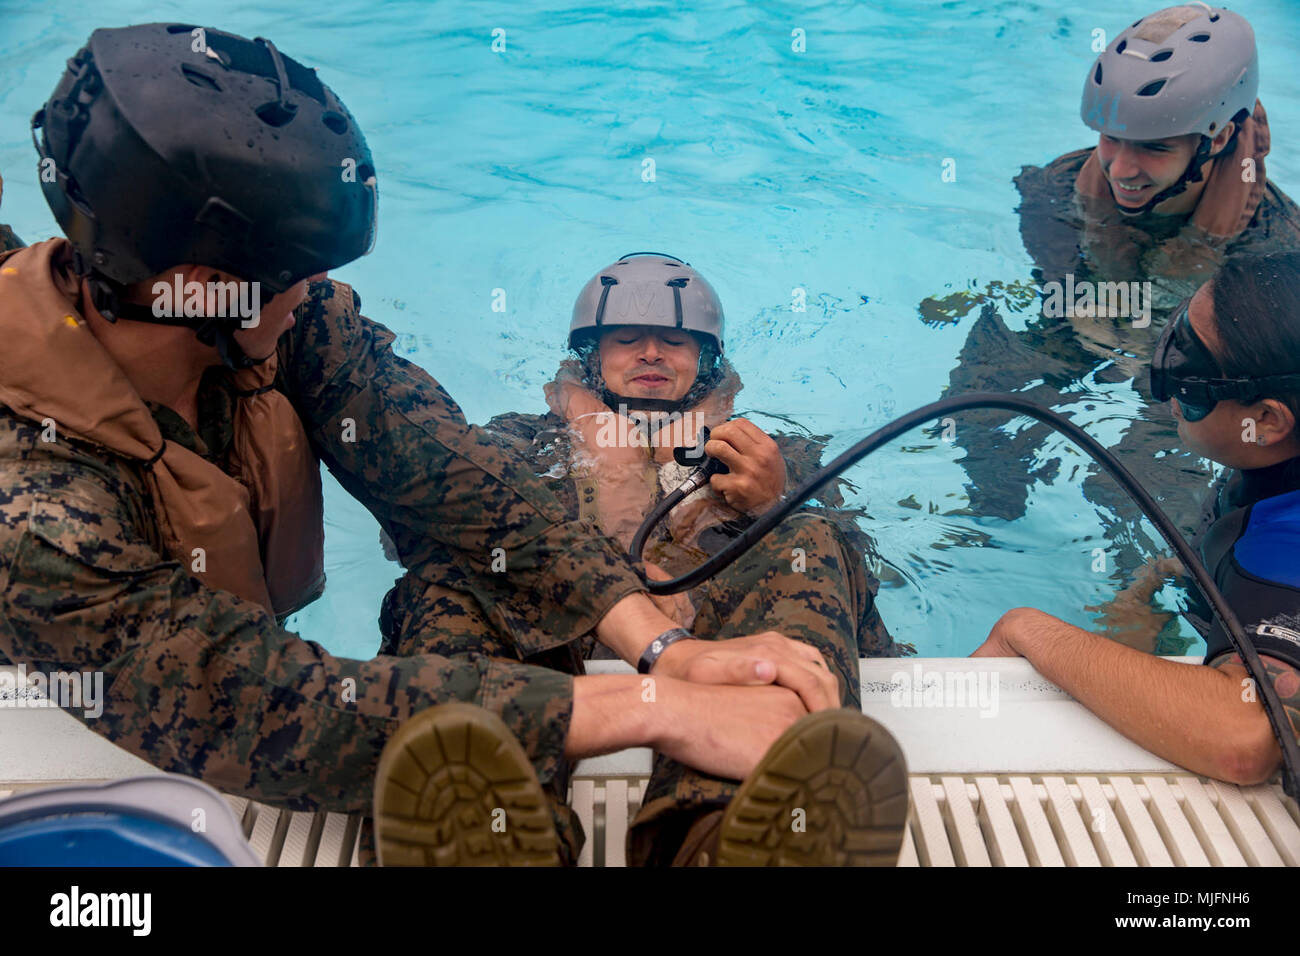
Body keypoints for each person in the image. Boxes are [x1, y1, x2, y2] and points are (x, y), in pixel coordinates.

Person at [0, 24, 909, 867]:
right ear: (200, 286)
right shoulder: (32, 505)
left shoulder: (270, 317)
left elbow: (455, 480)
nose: (317, 289)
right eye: (296, 270)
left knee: (482, 557)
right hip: (98, 714)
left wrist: (660, 647)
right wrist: (658, 706)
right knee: (441, 614)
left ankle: (711, 834)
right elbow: (249, 706)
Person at [469, 253, 908, 862]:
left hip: (728, 657)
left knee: (811, 536)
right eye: (627, 338)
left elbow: (857, 574)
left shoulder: (766, 452)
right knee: (461, 571)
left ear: (706, 360)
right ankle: (496, 822)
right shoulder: (520, 442)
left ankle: (724, 821)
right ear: (592, 355)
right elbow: (417, 535)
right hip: (567, 648)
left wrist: (771, 500)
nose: (651, 353)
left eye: (674, 340)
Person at [944, 3, 1300, 603]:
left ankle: (1141, 594)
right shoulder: (1057, 187)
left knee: (1144, 487)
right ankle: (991, 531)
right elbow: (1056, 288)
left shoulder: (1274, 251)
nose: (1120, 169)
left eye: (1154, 149)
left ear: (1214, 141)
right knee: (985, 377)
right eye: (1111, 140)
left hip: (1203, 374)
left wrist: (1148, 345)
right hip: (1087, 329)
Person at [972, 251, 1300, 785]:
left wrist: (1028, 631)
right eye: (1174, 339)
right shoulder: (1270, 477)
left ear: (1265, 420)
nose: (1164, 389)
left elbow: (1248, 738)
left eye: (1190, 385)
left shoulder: (1281, 542)